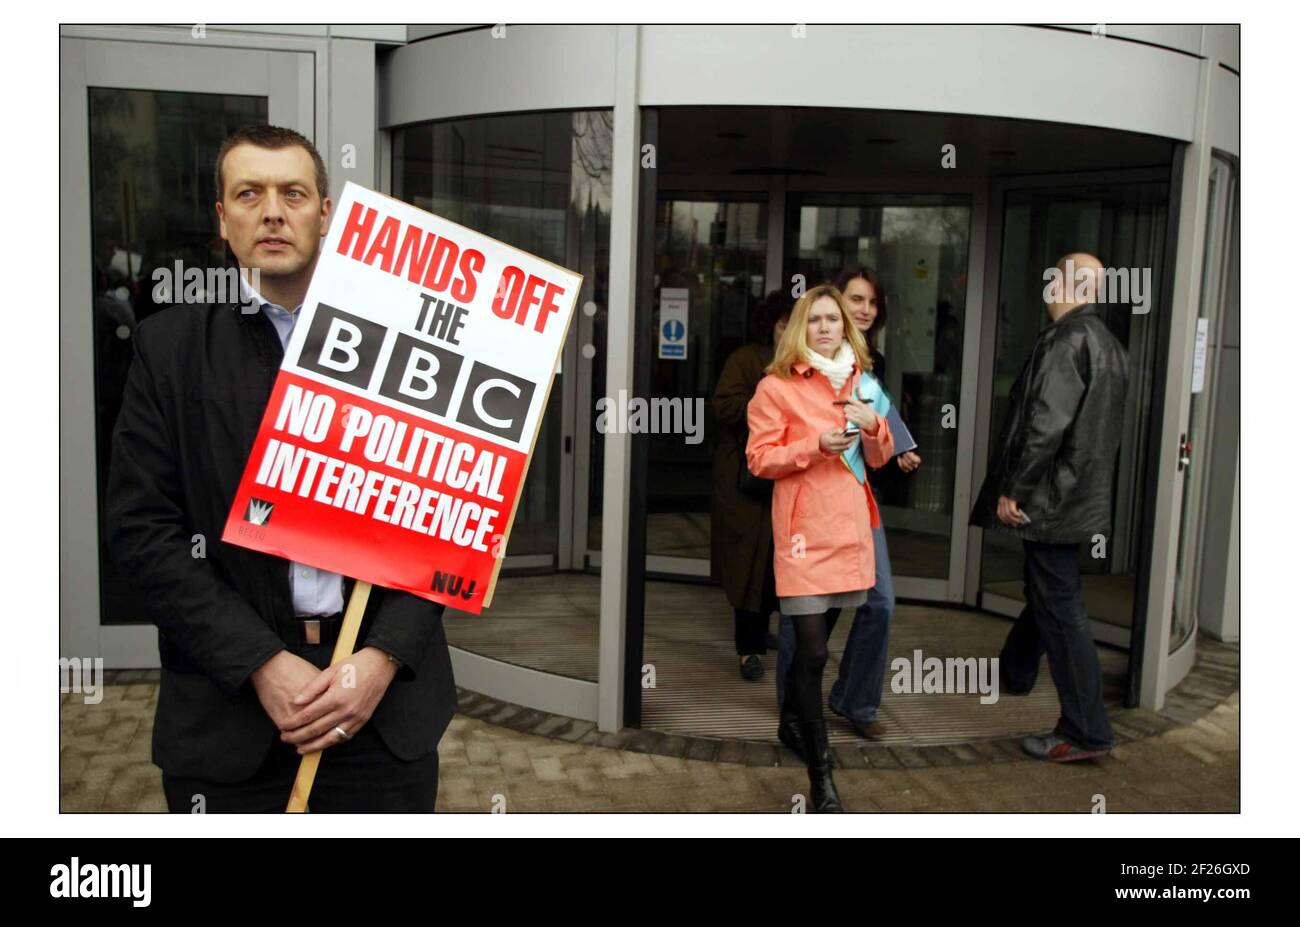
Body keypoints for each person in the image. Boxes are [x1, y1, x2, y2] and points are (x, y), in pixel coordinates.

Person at [106, 125, 458, 812]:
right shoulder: (167, 349)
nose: (273, 210)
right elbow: (141, 532)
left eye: (293, 193)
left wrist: (381, 657)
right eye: (250, 193)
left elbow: (451, 517)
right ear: (222, 217)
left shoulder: (406, 343)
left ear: (325, 212)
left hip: (384, 720)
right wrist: (259, 663)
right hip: (227, 721)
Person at [970, 252, 1129, 762]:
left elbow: (1045, 423)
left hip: (1053, 500)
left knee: (1061, 609)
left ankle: (1085, 730)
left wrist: (1015, 488)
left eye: (1051, 275)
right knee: (1048, 591)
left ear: (1063, 283)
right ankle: (1014, 672)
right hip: (1079, 498)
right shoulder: (1108, 345)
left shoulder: (1067, 341)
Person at [746, 284, 893, 812]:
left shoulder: (862, 381)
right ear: (800, 328)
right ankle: (822, 774)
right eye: (815, 319)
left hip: (849, 532)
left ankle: (792, 719)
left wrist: (874, 425)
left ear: (846, 328)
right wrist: (814, 447)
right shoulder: (776, 387)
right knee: (812, 650)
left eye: (834, 319)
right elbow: (760, 459)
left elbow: (878, 458)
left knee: (816, 648)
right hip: (806, 538)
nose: (826, 327)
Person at [775, 268, 922, 742]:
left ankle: (853, 702)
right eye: (854, 300)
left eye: (871, 303)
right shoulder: (792, 375)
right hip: (806, 511)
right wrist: (815, 445)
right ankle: (793, 710)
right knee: (803, 613)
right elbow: (765, 451)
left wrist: (890, 438)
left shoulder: (863, 369)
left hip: (854, 503)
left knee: (879, 602)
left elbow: (878, 424)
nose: (863, 310)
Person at [711, 292, 792, 680]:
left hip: (785, 479)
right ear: (769, 326)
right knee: (748, 561)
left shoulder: (808, 366)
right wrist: (769, 407)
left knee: (775, 560)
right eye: (783, 323)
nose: (789, 332)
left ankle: (762, 633)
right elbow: (723, 405)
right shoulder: (746, 359)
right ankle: (748, 651)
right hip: (744, 479)